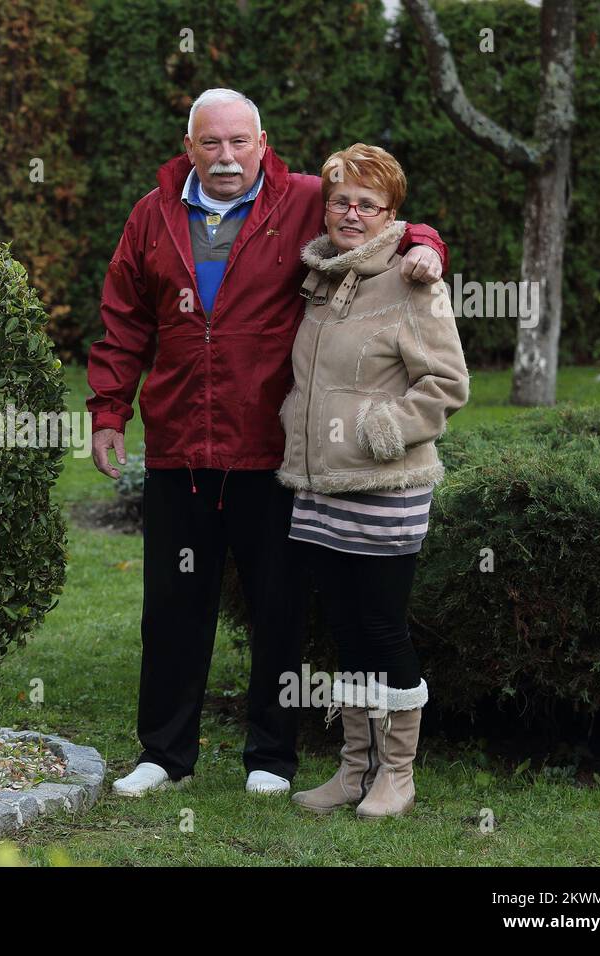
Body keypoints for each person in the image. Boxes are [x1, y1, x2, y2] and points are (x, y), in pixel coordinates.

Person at [87, 88, 450, 798]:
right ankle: (164, 755)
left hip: (272, 450)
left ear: (263, 142)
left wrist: (427, 242)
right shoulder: (152, 215)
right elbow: (124, 318)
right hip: (179, 449)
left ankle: (270, 758)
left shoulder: (306, 198)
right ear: (188, 146)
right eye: (211, 143)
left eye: (239, 143)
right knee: (172, 607)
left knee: (277, 609)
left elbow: (378, 216)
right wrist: (107, 412)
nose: (226, 158)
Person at [277, 143, 469, 817]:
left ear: (392, 212)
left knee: (382, 628)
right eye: (340, 201)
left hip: (386, 488)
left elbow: (448, 384)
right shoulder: (324, 277)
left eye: (367, 203)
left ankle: (399, 773)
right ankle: (353, 770)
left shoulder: (414, 279)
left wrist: (385, 429)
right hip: (323, 486)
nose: (351, 214)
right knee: (345, 630)